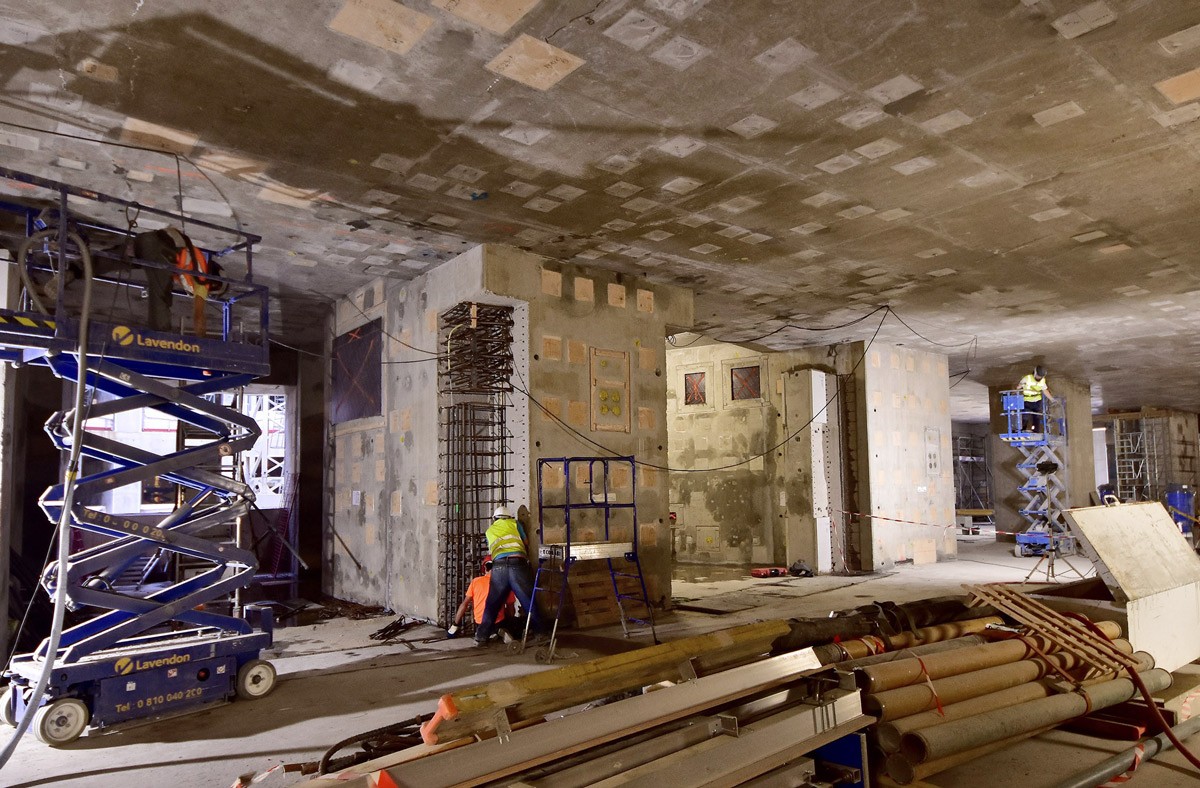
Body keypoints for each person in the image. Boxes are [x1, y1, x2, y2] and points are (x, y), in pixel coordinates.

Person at [474, 505, 537, 647]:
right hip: (517, 562)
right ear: (509, 517)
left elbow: (492, 549)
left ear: (494, 518)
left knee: (492, 603)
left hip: (499, 565)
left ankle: (481, 636)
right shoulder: (515, 524)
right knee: (528, 600)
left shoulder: (490, 531)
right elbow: (526, 543)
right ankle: (540, 633)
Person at [446, 556, 518, 643]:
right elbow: (511, 609)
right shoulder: (504, 582)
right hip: (498, 622)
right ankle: (499, 631)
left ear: (485, 568)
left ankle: (488, 634)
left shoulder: (475, 582)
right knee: (514, 618)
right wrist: (512, 623)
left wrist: (455, 626)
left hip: (480, 623)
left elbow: (464, 604)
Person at [1018, 365, 1053, 432]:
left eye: (1041, 377)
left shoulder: (1042, 381)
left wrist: (1051, 399)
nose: (1039, 378)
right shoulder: (1027, 378)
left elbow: (1045, 390)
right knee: (1025, 416)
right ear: (1035, 373)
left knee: (1036, 417)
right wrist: (1021, 386)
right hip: (1027, 401)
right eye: (1038, 376)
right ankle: (1022, 429)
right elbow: (1018, 387)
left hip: (1037, 401)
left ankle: (1035, 431)